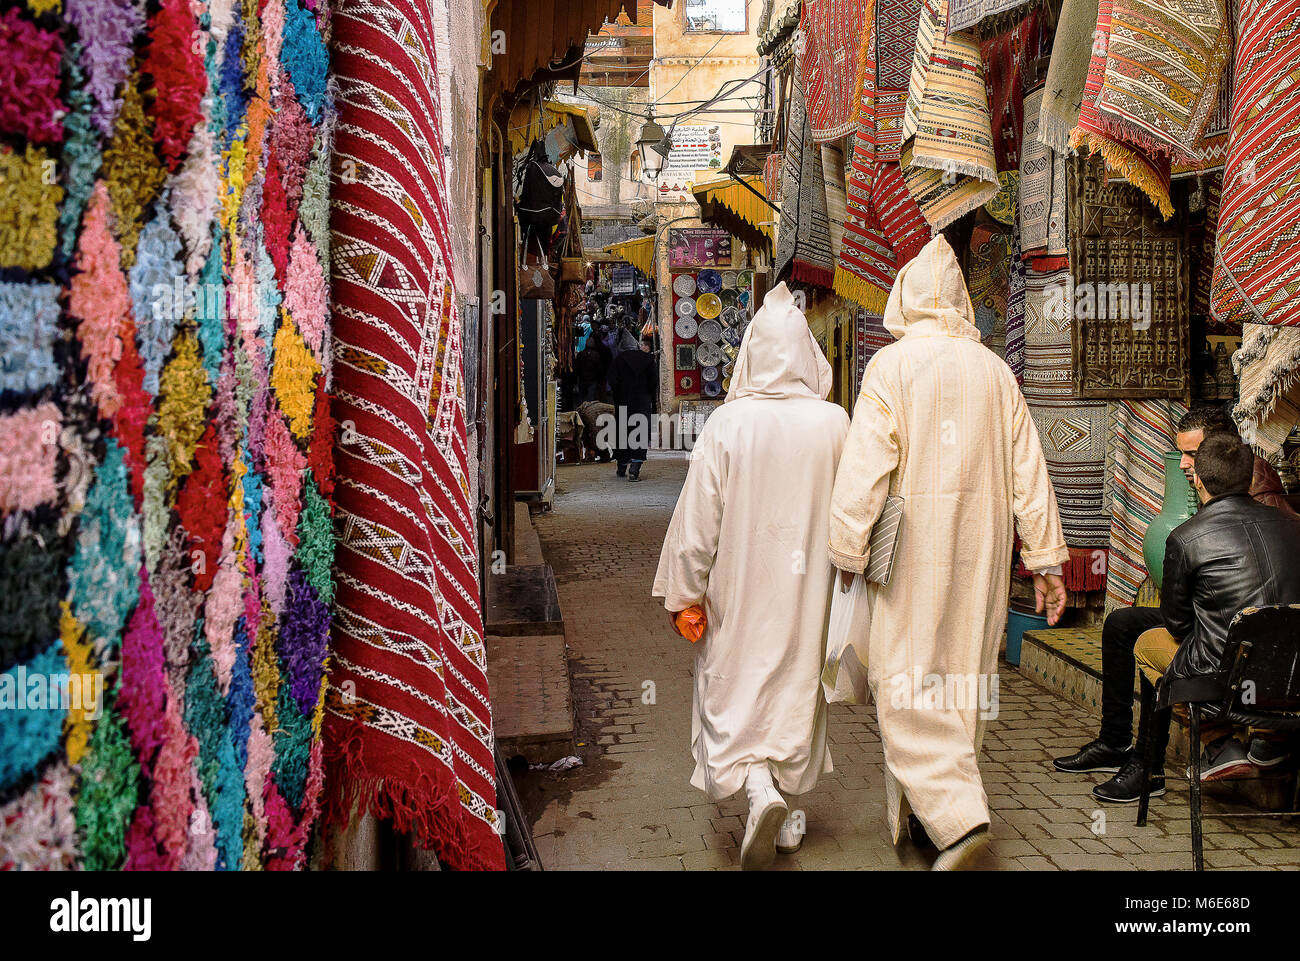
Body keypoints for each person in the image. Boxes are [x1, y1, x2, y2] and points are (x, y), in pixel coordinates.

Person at [827, 235, 1069, 871]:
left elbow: (865, 468)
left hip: (911, 548)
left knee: (902, 679)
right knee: (964, 677)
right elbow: (1029, 470)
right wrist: (1045, 559)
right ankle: (928, 817)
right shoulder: (995, 371)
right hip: (983, 549)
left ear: (904, 298)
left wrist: (847, 544)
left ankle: (959, 822)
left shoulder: (892, 367)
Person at [652, 282, 849, 871]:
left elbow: (697, 523)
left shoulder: (727, 425)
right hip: (809, 596)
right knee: (794, 692)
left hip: (737, 597)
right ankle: (781, 809)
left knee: (735, 689)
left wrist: (684, 594)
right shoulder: (835, 424)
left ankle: (761, 791)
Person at [1054, 409, 1300, 799]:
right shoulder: (1269, 512)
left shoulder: (1254, 501)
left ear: (1222, 455)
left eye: (1194, 455)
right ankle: (1118, 744)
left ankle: (1162, 761)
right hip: (1251, 639)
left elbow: (1182, 623)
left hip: (1245, 648)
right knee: (1122, 624)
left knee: (1153, 644)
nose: (1185, 464)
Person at [1173, 405, 1297, 517]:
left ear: (1224, 447)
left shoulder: (1263, 503)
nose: (1182, 464)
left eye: (1193, 454)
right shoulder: (1220, 489)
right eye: (1181, 453)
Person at [608, 332, 658, 481]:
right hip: (642, 402)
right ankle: (635, 469)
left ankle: (622, 465)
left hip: (624, 402)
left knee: (623, 432)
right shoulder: (648, 360)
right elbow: (653, 382)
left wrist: (619, 393)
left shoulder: (618, 360)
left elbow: (612, 380)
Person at [574, 336, 607, 404]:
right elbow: (599, 368)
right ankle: (587, 411)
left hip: (583, 379)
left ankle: (582, 411)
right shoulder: (596, 355)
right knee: (590, 398)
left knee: (582, 398)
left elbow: (577, 367)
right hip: (592, 379)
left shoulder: (581, 354)